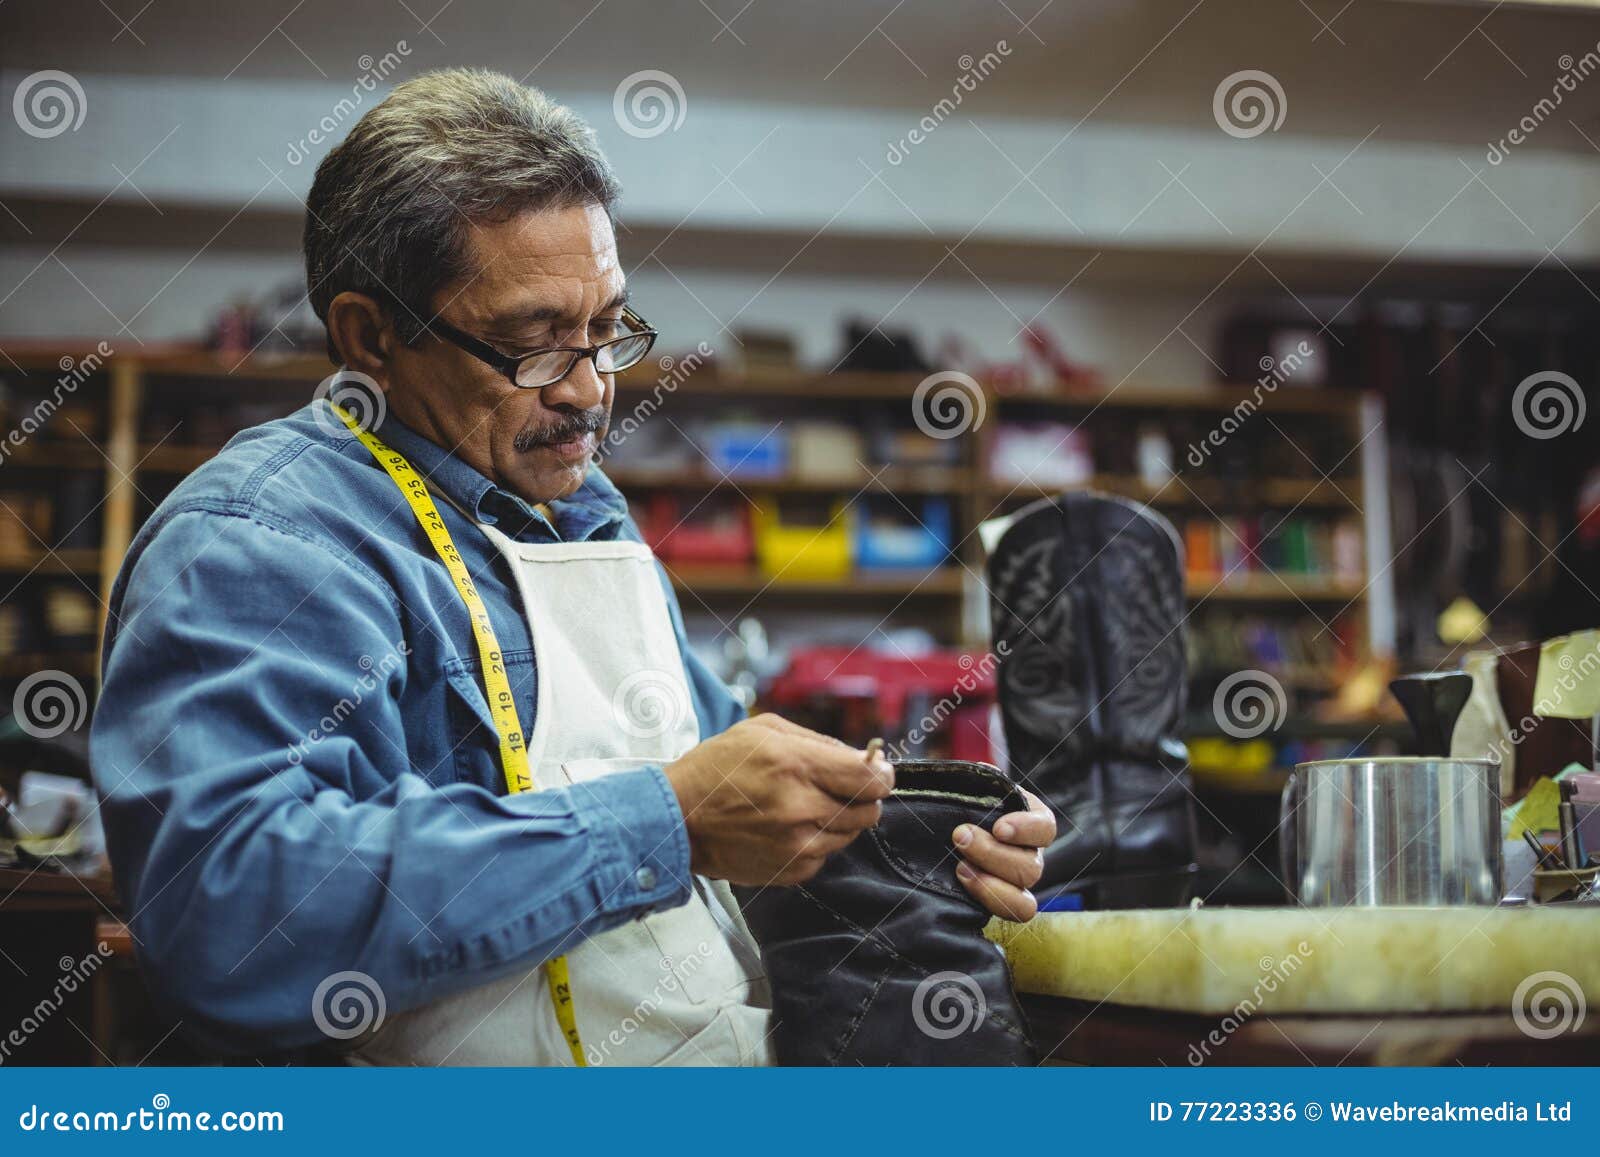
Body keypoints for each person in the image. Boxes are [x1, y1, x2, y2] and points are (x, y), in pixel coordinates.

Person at [90, 68, 1053, 1066]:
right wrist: (664, 820)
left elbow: (725, 807)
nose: (592, 389)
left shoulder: (585, 516)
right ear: (370, 336)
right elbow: (229, 914)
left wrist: (890, 828)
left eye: (607, 331)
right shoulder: (264, 538)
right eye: (533, 344)